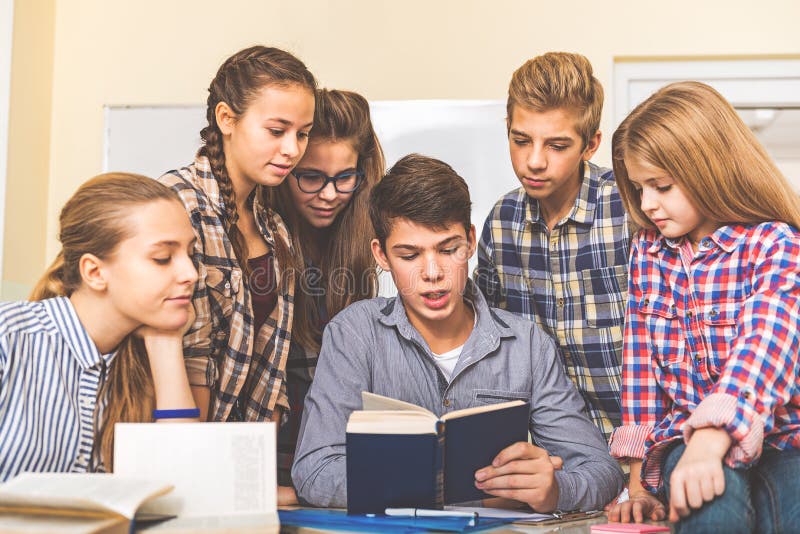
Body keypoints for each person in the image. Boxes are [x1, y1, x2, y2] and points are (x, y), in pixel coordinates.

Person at [292, 154, 623, 510]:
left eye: (449, 249)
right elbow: (314, 469)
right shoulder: (353, 334)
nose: (432, 273)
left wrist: (555, 488)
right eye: (409, 255)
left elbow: (600, 470)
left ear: (470, 240)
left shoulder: (527, 345)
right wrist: (427, 484)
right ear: (382, 255)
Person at [606, 81, 800, 533]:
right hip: (684, 443)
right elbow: (641, 375)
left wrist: (712, 437)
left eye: (661, 186)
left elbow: (766, 342)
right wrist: (638, 488)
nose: (647, 204)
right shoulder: (648, 253)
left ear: (708, 169)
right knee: (711, 501)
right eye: (638, 188)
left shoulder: (776, 244)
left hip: (785, 443)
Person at [159, 45, 315, 504]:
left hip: (236, 469)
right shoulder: (175, 204)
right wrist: (209, 475)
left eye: (302, 134)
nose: (292, 149)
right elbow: (181, 355)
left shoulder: (275, 227)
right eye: (277, 130)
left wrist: (250, 481)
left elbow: (273, 371)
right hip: (177, 455)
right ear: (227, 119)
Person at [0, 173, 199, 482]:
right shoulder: (8, 340)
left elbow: (182, 486)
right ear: (94, 272)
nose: (191, 273)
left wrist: (167, 343)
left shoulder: (143, 359)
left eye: (191, 254)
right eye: (162, 258)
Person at [474, 52, 630, 440]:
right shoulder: (502, 222)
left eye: (557, 145)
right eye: (521, 140)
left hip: (642, 445)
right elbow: (489, 339)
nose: (534, 161)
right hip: (556, 451)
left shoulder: (630, 209)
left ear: (590, 145)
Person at [272, 88, 384, 488]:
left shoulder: (369, 242)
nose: (329, 194)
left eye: (344, 178)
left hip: (337, 469)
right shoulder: (264, 242)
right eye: (312, 177)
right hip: (270, 467)